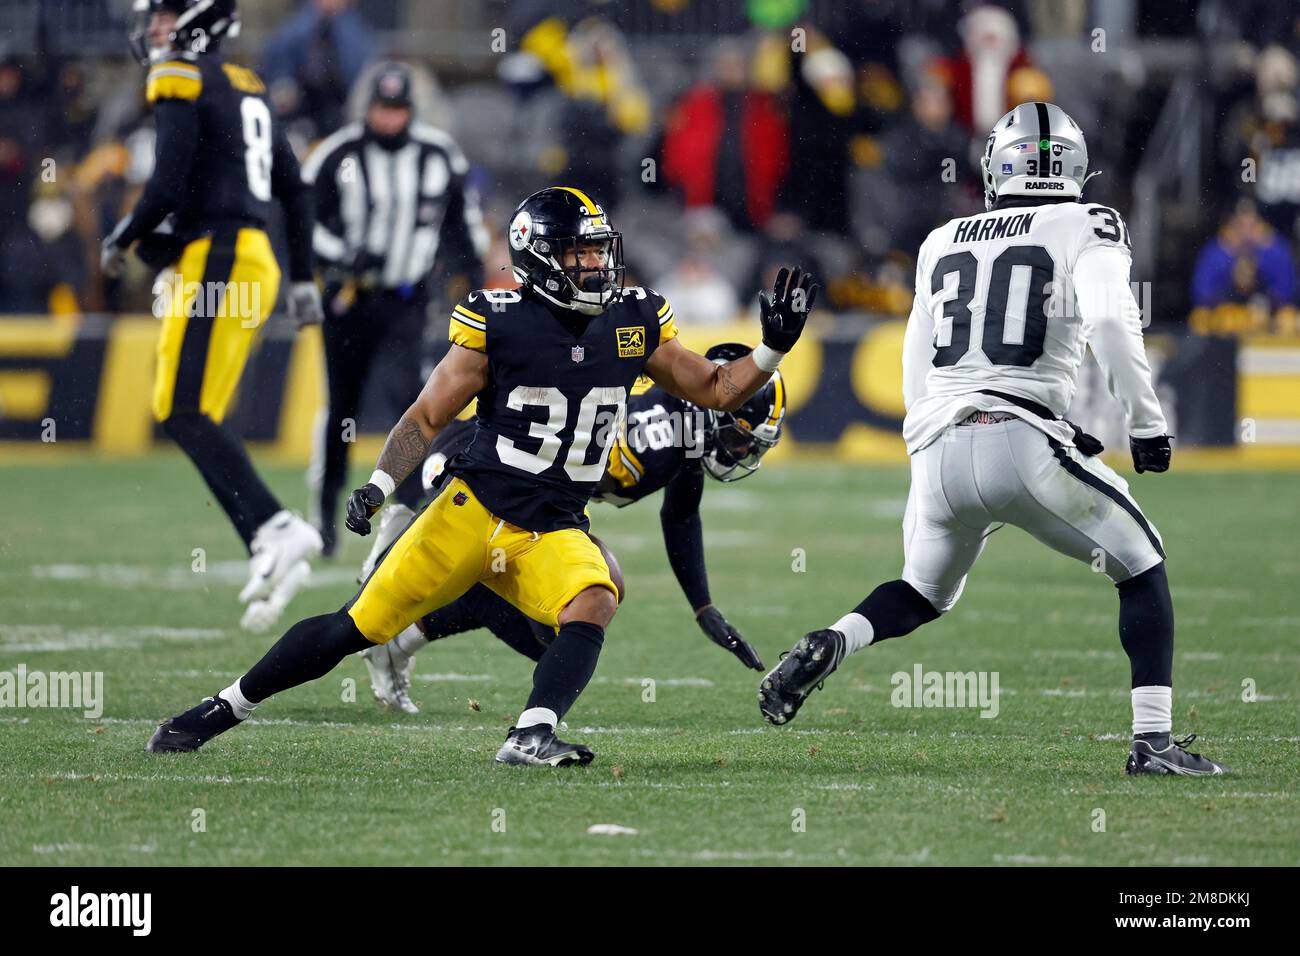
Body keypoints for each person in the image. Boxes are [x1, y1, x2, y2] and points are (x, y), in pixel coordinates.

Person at [147, 185, 816, 767]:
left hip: (553, 522)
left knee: (596, 597)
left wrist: (772, 348)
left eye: (598, 250)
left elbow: (718, 388)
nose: (595, 264)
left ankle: (531, 732)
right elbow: (428, 413)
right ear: (541, 259)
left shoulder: (634, 319)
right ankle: (222, 708)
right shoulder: (500, 322)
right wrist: (380, 487)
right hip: (471, 506)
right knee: (358, 627)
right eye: (579, 253)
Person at [759, 102, 1228, 777]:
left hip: (941, 443)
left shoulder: (944, 238)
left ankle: (833, 640)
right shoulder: (1086, 221)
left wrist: (931, 444)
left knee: (922, 591)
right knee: (1141, 563)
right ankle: (1152, 743)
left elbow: (916, 363)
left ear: (998, 164)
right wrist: (1147, 422)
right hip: (1023, 439)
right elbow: (1111, 321)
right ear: (1072, 166)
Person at [359, 342, 785, 713]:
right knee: (557, 607)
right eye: (739, 439)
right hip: (480, 466)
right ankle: (395, 562)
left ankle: (398, 643)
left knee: (547, 627)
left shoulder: (681, 434)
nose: (743, 451)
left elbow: (680, 515)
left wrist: (703, 607)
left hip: (528, 491)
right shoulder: (653, 439)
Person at [101, 0, 325, 633]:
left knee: (180, 407)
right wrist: (304, 275)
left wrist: (121, 237)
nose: (155, 29)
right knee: (192, 409)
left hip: (221, 260)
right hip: (245, 257)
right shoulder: (246, 84)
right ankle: (266, 534)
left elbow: (167, 187)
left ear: (201, 19)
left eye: (168, 16)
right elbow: (293, 186)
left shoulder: (181, 76)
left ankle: (275, 528)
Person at [302, 61, 488, 555]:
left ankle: (408, 510)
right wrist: (343, 254)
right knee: (342, 405)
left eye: (398, 109)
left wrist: (469, 281)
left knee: (410, 398)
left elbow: (461, 225)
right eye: (383, 109)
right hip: (348, 300)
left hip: (407, 301)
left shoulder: (438, 154)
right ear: (368, 109)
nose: (390, 120)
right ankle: (325, 514)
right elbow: (301, 220)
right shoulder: (337, 153)